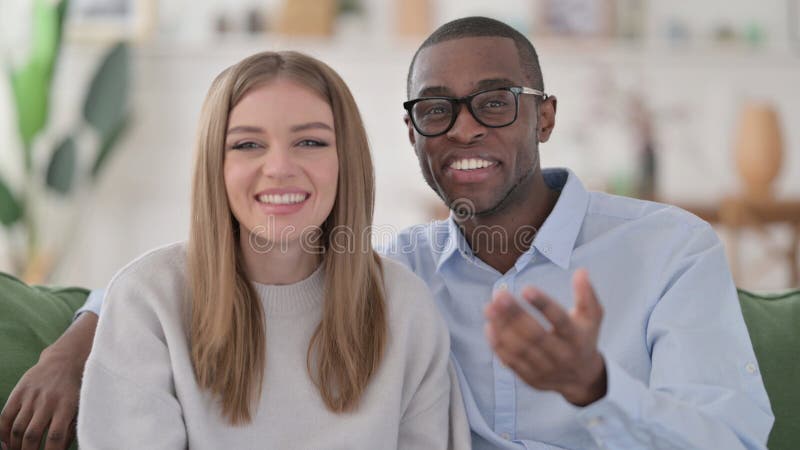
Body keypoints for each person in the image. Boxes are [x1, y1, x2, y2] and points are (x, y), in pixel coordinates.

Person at [1, 16, 773, 450]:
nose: (463, 128)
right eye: (436, 109)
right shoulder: (399, 272)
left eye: (495, 101)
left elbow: (733, 439)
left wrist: (594, 387)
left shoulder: (669, 250)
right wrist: (74, 348)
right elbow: (224, 268)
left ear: (544, 116)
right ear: (411, 136)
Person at [4, 50, 468, 450]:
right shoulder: (148, 301)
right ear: (215, 165)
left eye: (310, 141)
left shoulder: (406, 308)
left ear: (346, 160)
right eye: (247, 144)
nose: (280, 167)